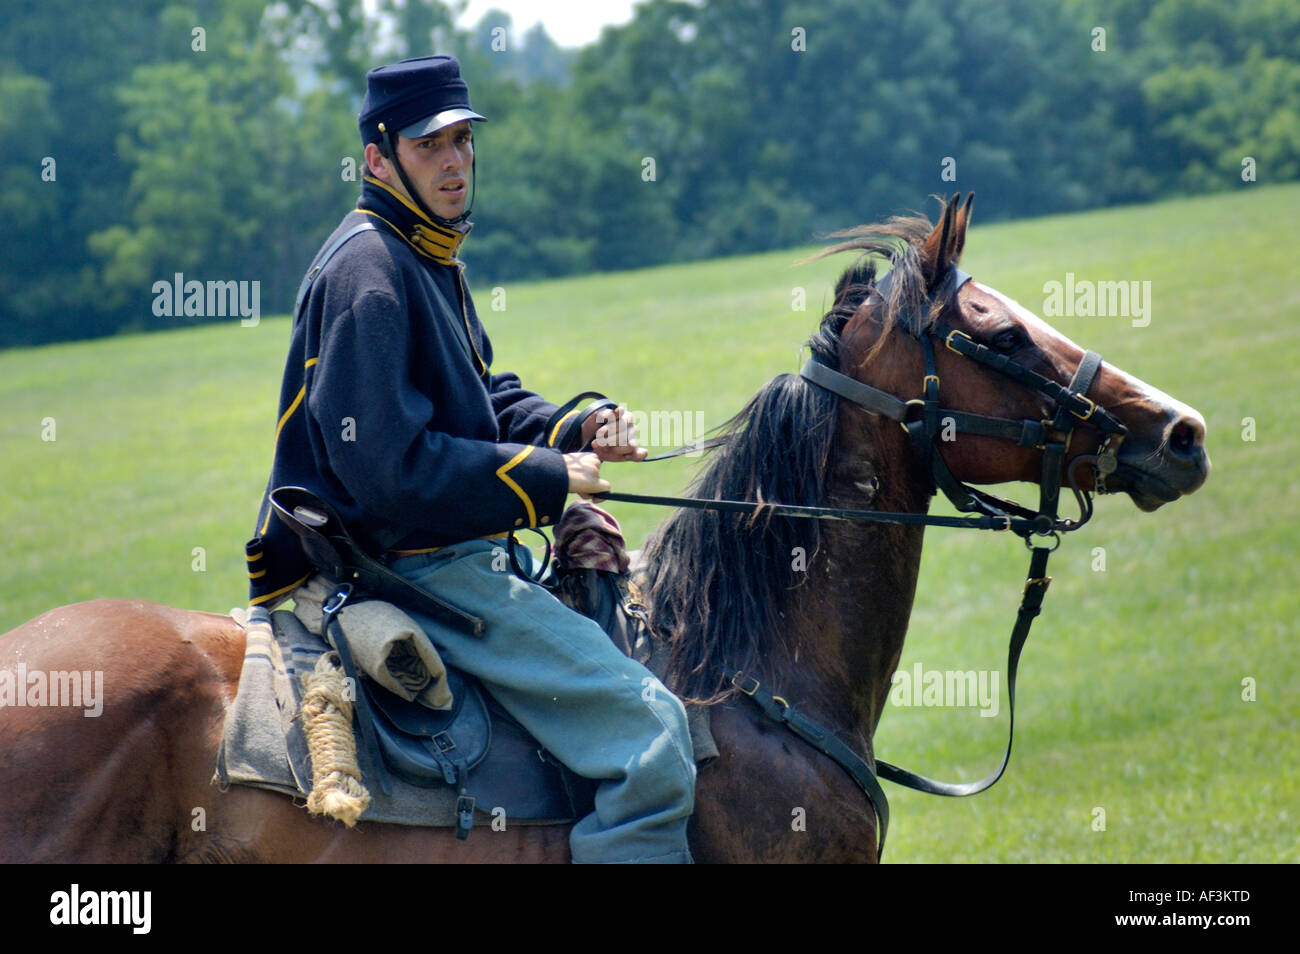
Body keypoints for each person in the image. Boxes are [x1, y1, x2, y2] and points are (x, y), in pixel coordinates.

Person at [245, 55, 695, 863]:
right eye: (430, 146)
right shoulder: (370, 272)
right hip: (407, 563)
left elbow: (480, 402)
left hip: (432, 547)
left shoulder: (418, 250)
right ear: (378, 158)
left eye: (462, 140)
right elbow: (391, 474)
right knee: (652, 733)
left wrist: (577, 426)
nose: (454, 162)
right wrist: (548, 483)